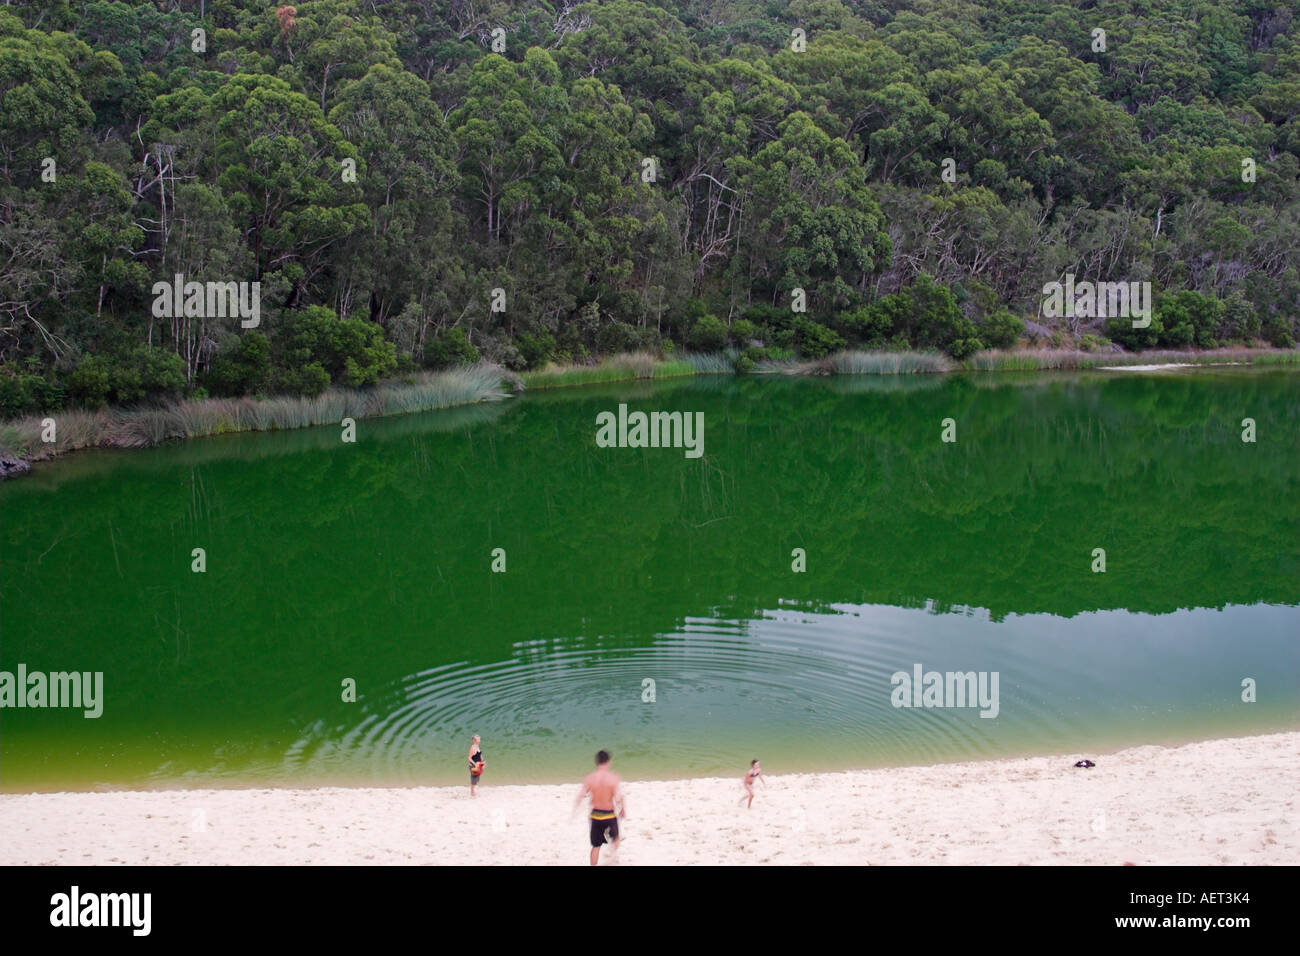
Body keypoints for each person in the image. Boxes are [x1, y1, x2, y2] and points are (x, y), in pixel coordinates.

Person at [573, 749, 626, 865]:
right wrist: (623, 809)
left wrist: (574, 812)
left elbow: (580, 796)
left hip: (595, 816)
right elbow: (618, 797)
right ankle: (612, 857)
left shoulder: (590, 778)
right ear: (609, 762)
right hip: (609, 815)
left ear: (596, 762)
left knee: (596, 846)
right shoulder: (613, 778)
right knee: (616, 839)